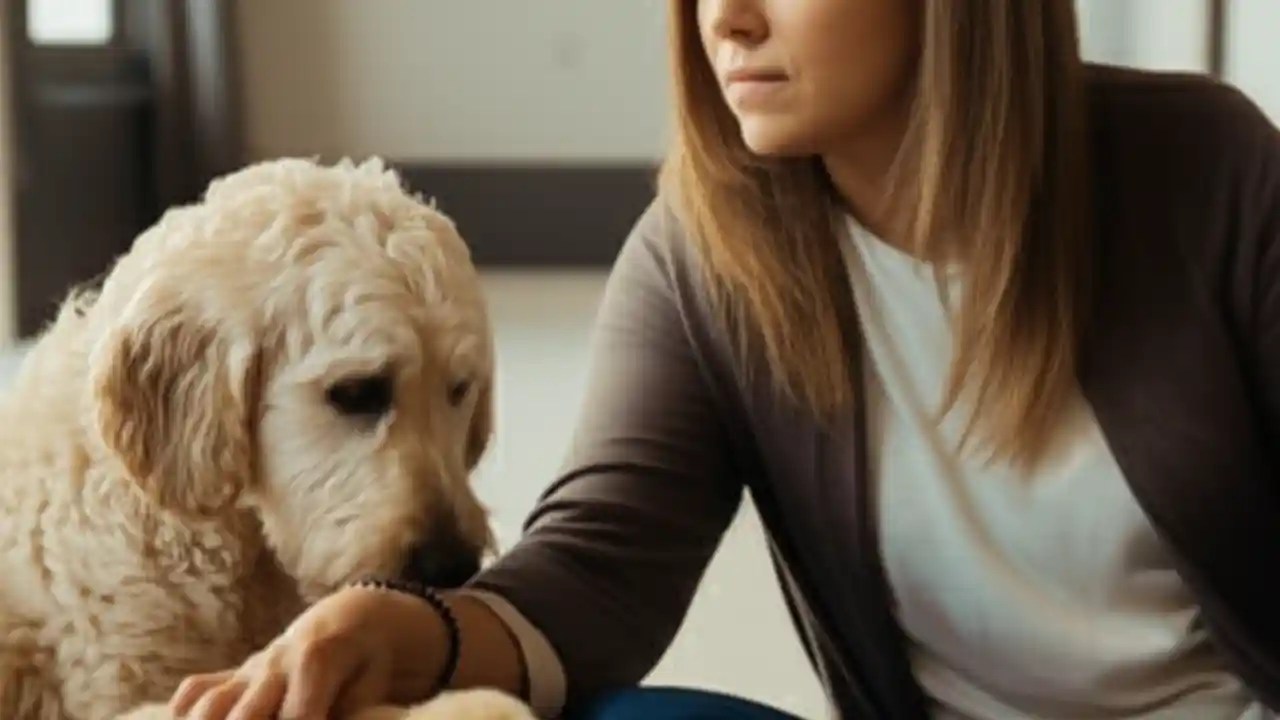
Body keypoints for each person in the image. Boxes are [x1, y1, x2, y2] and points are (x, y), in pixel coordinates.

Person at [171, 0, 1280, 718]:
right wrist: (406, 627)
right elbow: (596, 574)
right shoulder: (705, 256)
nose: (726, 21)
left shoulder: (1205, 168)